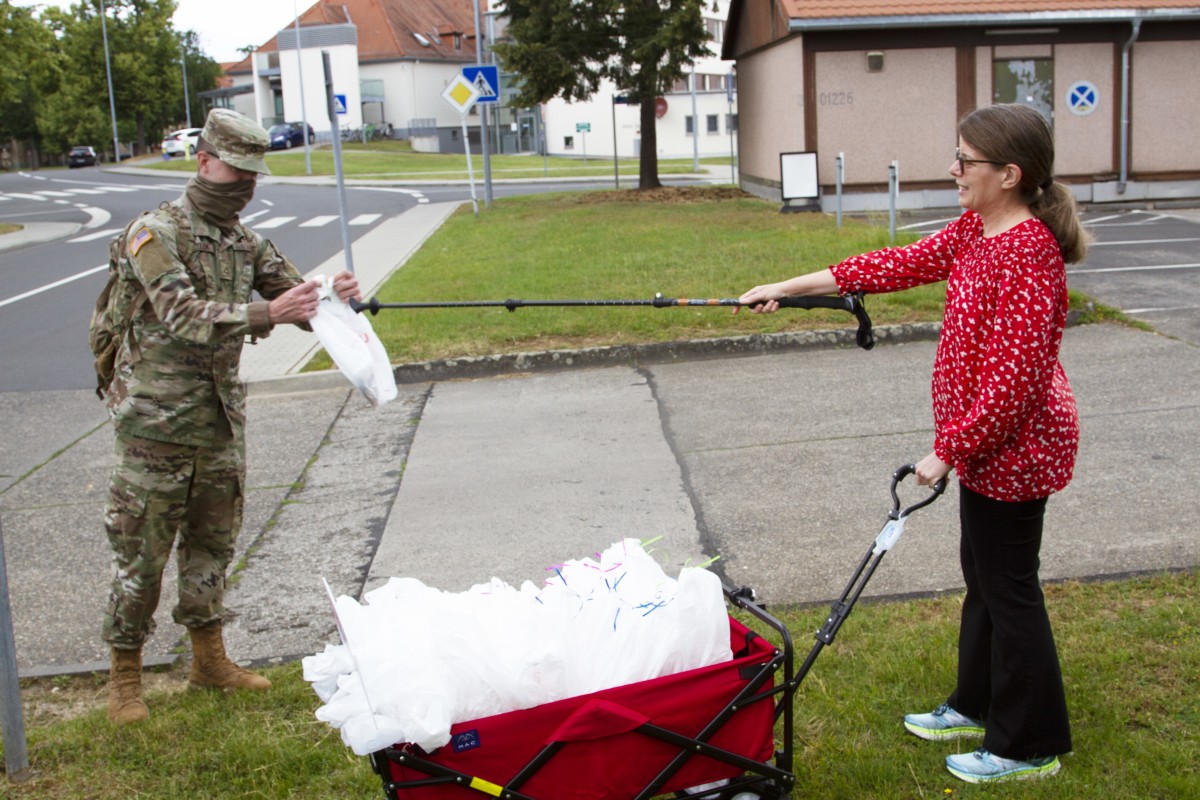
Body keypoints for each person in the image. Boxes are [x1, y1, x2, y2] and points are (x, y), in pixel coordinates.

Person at [737, 103, 1087, 783]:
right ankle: (975, 703)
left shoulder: (1028, 256)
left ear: (1010, 174)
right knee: (985, 579)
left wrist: (947, 451)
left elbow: (1012, 387)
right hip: (985, 448)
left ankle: (1028, 744)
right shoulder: (978, 231)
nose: (953, 170)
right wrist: (787, 287)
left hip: (1015, 451)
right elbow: (894, 263)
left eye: (966, 161)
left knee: (1009, 589)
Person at [99, 108, 360, 724]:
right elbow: (184, 315)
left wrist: (331, 295)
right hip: (153, 427)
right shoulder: (154, 233)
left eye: (252, 175)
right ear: (204, 161)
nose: (243, 185)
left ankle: (209, 660)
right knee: (141, 553)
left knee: (212, 546)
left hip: (218, 420)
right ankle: (124, 679)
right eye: (234, 171)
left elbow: (294, 294)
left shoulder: (243, 241)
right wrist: (271, 313)